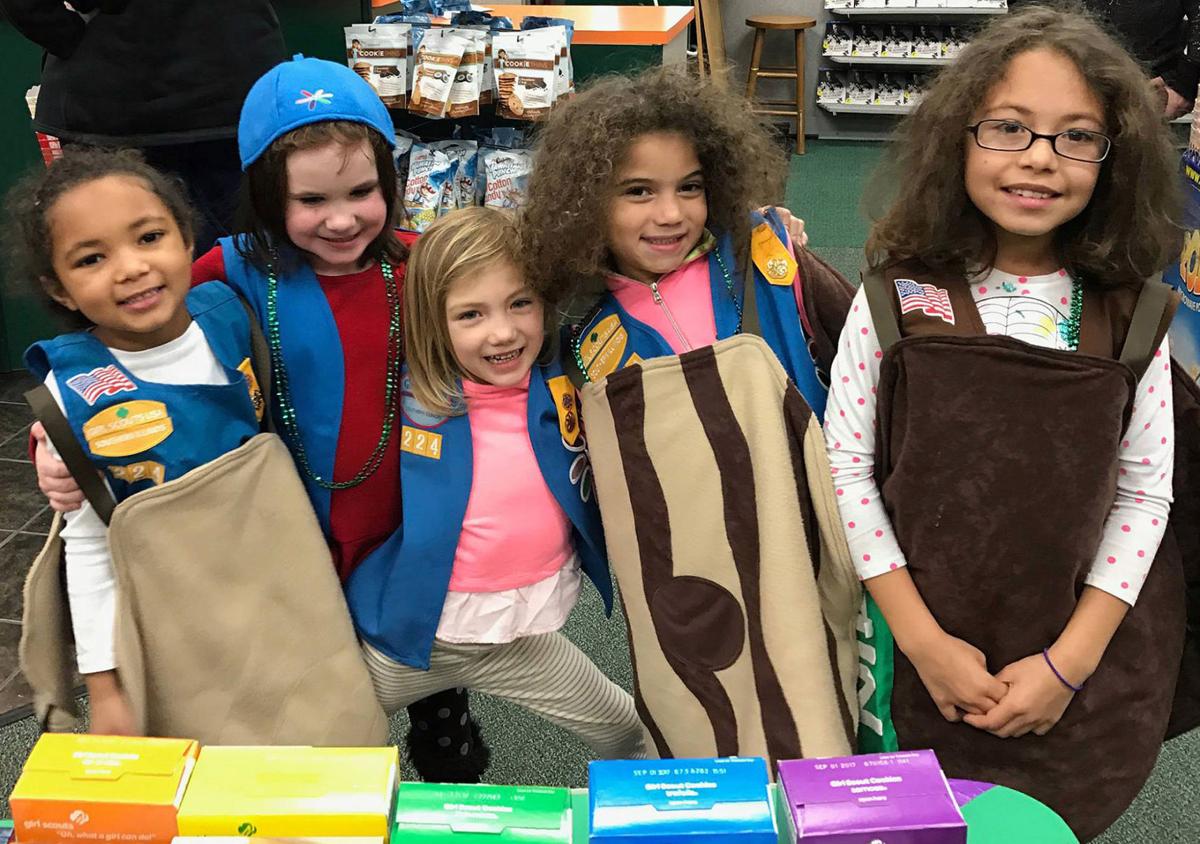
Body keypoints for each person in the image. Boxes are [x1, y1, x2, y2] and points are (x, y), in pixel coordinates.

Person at [30, 56, 490, 783]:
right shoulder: (231, 269)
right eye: (310, 200)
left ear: (390, 183)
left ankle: (446, 759)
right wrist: (59, 435)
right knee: (316, 696)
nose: (341, 218)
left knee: (434, 682)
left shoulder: (423, 262)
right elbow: (129, 334)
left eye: (362, 191)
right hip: (290, 539)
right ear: (267, 198)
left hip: (406, 527)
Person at [827, 7, 1187, 840]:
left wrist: (1072, 662)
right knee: (910, 815)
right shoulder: (893, 299)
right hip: (915, 641)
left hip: (1071, 650)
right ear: (959, 138)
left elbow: (1144, 496)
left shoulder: (1136, 316)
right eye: (1010, 128)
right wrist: (921, 642)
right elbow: (848, 469)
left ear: (1114, 157)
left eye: (1076, 136)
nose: (1038, 157)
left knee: (1041, 821)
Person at [520, 68, 862, 767]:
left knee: (826, 699)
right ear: (587, 200)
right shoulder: (582, 333)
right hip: (685, 570)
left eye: (690, 186)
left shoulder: (765, 257)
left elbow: (866, 347)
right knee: (704, 717)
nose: (669, 214)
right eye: (637, 191)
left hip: (805, 532)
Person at [4, 148, 384, 745]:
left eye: (149, 237)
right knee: (209, 760)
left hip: (285, 583)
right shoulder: (74, 391)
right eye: (92, 258)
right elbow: (91, 549)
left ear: (186, 240)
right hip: (177, 610)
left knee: (331, 737)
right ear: (61, 287)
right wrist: (105, 689)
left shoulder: (232, 312)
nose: (130, 267)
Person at [347, 205, 648, 761]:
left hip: (521, 645)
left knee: (629, 733)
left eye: (520, 303)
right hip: (409, 643)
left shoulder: (567, 380)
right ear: (433, 323)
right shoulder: (408, 399)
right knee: (319, 746)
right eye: (470, 315)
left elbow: (639, 274)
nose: (503, 331)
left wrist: (746, 230)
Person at [0, 0, 285, 250]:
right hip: (235, 84)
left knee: (124, 272)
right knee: (254, 270)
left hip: (110, 103)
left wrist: (68, 36)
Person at [1010, 0, 1200, 118]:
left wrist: (1183, 82)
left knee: (1134, 174)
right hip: (1051, 81)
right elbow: (1023, 10)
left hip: (1144, 94)